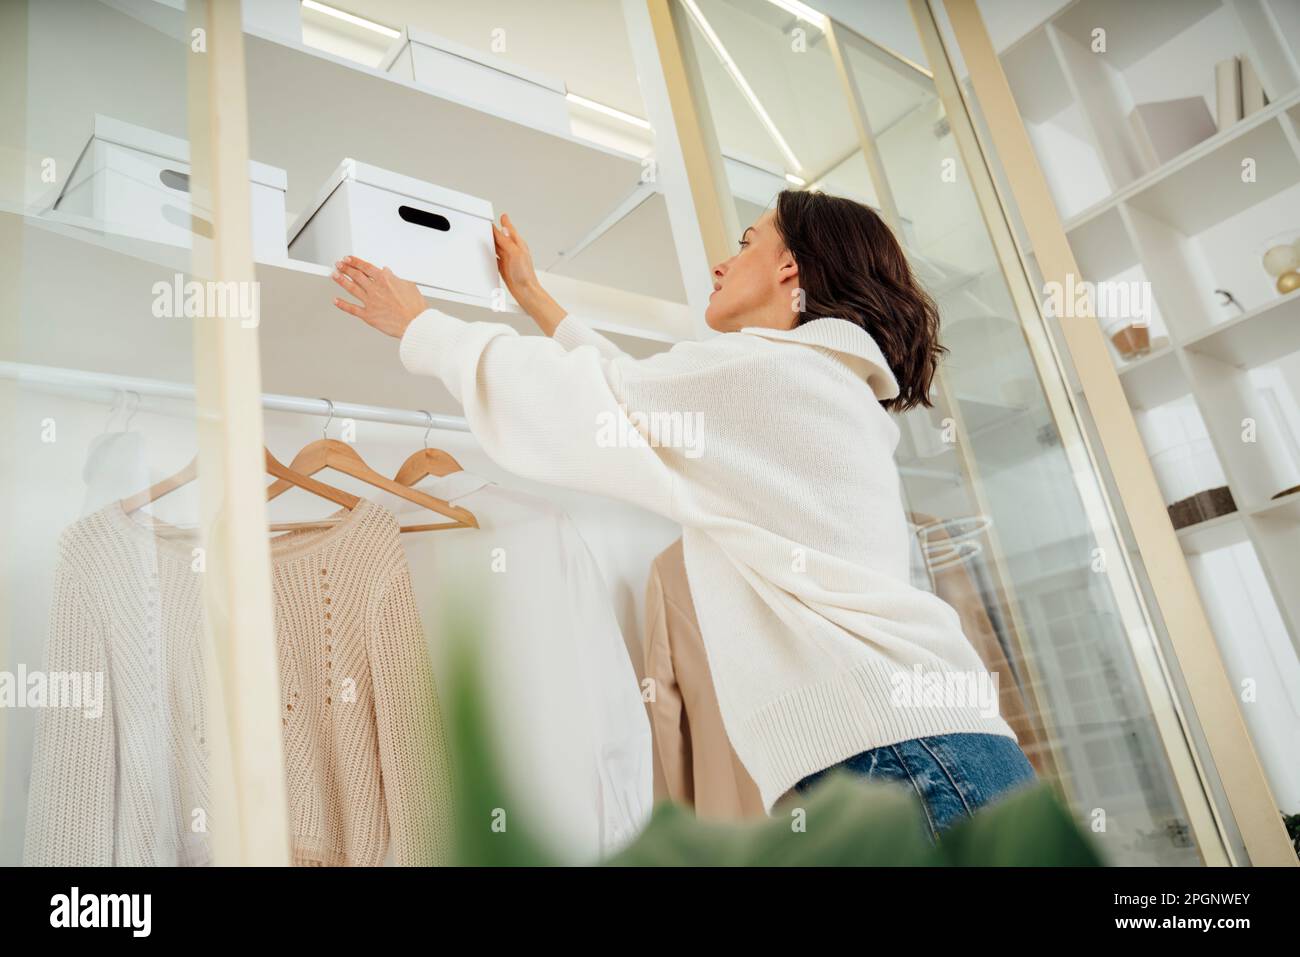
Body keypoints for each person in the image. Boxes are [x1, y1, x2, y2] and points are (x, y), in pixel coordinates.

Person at [330, 189, 1036, 843]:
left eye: (747, 241)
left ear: (790, 266)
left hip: (902, 763)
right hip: (929, 755)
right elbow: (640, 404)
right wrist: (537, 300)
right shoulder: (814, 384)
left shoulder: (773, 376)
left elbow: (593, 405)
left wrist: (422, 328)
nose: (724, 261)